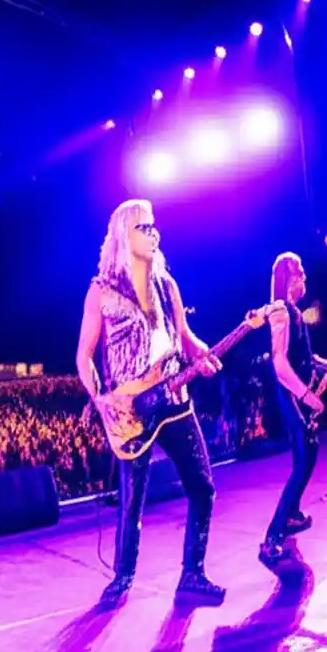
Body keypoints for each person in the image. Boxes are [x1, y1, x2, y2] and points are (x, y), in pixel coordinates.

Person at [74, 199, 227, 609]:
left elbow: (185, 336)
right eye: (143, 227)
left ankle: (193, 574)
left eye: (153, 226)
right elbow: (84, 355)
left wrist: (202, 355)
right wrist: (101, 400)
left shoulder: (167, 285)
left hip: (174, 397)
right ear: (124, 235)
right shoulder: (102, 290)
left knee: (203, 487)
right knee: (131, 501)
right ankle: (123, 577)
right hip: (133, 409)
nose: (153, 233)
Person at [259, 252, 327, 565]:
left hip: (296, 395)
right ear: (290, 279)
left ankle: (293, 514)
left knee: (309, 453)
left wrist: (326, 365)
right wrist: (307, 396)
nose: (305, 280)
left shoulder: (294, 312)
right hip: (288, 396)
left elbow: (303, 356)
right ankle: (273, 536)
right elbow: (279, 362)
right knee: (302, 461)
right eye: (301, 275)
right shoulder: (280, 311)